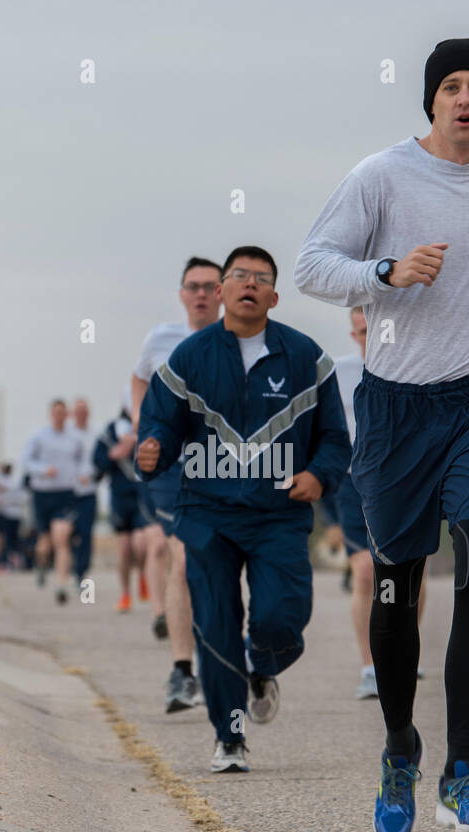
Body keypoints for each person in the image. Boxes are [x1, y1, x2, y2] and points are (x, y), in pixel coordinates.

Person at [295, 38, 469, 832]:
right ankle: (399, 749)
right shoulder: (381, 176)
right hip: (394, 407)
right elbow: (314, 264)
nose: (464, 98)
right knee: (397, 584)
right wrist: (384, 273)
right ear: (430, 101)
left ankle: (461, 769)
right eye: (450, 86)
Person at [138, 246, 350, 773]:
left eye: (260, 278)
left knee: (282, 615)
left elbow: (334, 437)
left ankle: (264, 663)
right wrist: (154, 448)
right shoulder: (189, 357)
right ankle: (229, 737)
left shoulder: (307, 358)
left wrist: (319, 476)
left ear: (274, 296)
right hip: (207, 514)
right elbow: (161, 421)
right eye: (239, 276)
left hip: (278, 514)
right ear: (223, 292)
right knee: (216, 623)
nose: (248, 283)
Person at [130, 257, 223, 712]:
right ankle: (184, 672)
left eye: (210, 286)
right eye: (194, 286)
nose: (202, 293)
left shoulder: (245, 341)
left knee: (222, 559)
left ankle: (229, 649)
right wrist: (142, 426)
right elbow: (139, 378)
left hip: (228, 467)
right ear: (183, 294)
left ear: (223, 293)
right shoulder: (160, 339)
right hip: (173, 468)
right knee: (182, 556)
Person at [335, 307, 427, 700]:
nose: (367, 337)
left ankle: (405, 651)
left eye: (374, 329)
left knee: (410, 572)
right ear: (353, 333)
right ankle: (370, 667)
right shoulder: (336, 372)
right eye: (360, 331)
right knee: (364, 574)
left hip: (406, 480)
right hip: (353, 481)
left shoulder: (415, 365)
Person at [22, 398, 86, 604]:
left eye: (62, 413)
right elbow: (26, 462)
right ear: (51, 414)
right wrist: (43, 470)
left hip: (65, 494)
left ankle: (61, 584)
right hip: (42, 493)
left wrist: (82, 476)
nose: (59, 416)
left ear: (66, 415)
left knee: (62, 537)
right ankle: (41, 566)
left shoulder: (74, 439)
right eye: (56, 412)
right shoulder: (38, 436)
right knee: (44, 543)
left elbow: (82, 461)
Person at [93, 393, 150, 613]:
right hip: (119, 496)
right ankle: (125, 593)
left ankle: (145, 574)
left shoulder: (152, 425)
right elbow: (98, 462)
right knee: (125, 549)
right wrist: (116, 453)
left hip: (144, 494)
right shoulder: (111, 431)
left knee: (142, 545)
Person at [69, 397, 99, 588]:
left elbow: (102, 460)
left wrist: (93, 476)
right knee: (70, 532)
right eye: (78, 410)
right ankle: (72, 564)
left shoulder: (96, 434)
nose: (81, 414)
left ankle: (82, 570)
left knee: (87, 532)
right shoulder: (67, 434)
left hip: (89, 490)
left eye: (84, 410)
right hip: (69, 491)